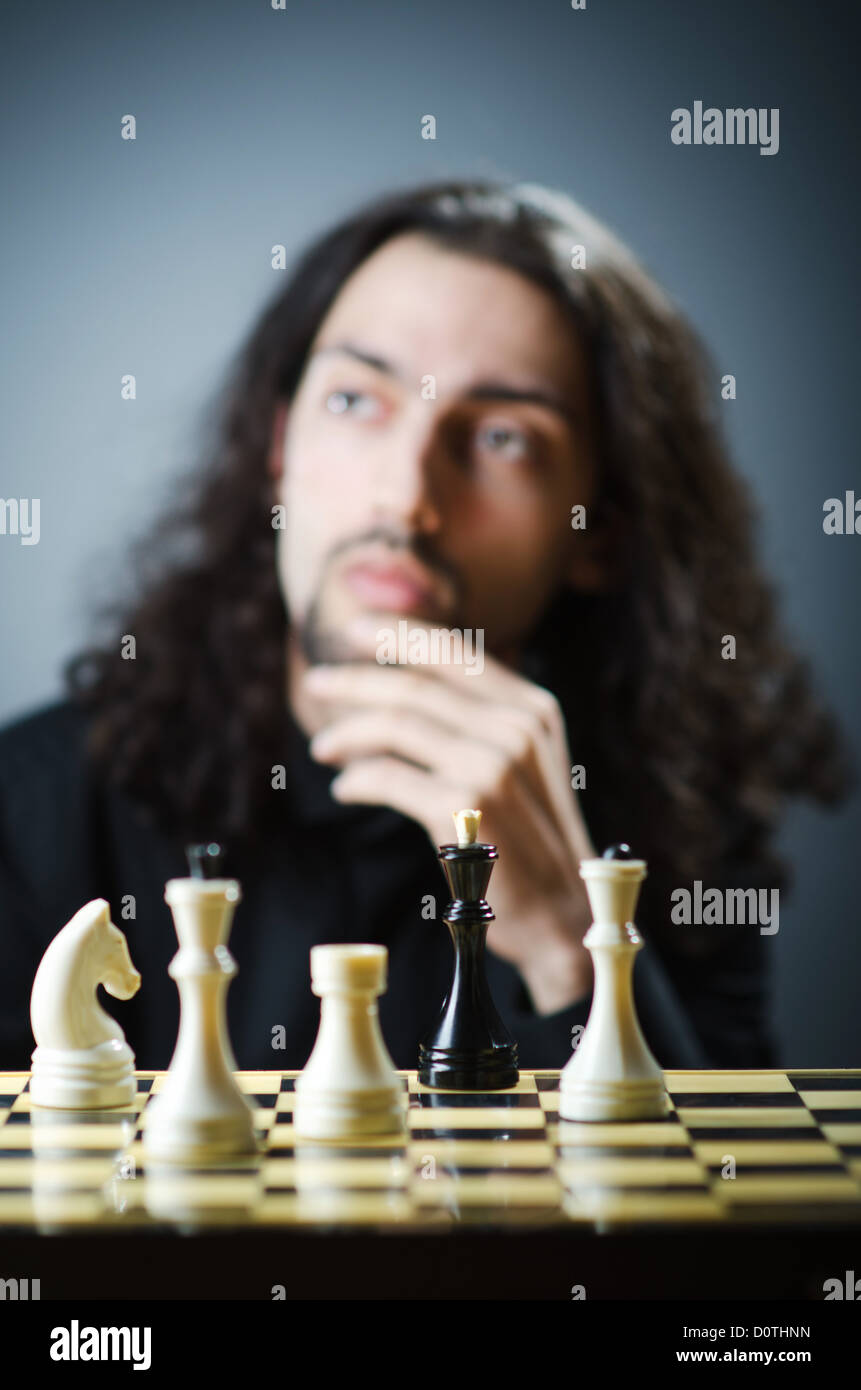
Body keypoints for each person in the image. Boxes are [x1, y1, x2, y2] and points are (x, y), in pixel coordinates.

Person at [0, 180, 849, 1072]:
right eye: (356, 401)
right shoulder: (37, 811)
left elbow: (713, 1197)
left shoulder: (683, 840)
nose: (405, 500)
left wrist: (567, 938)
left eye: (501, 439)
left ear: (598, 530)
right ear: (279, 450)